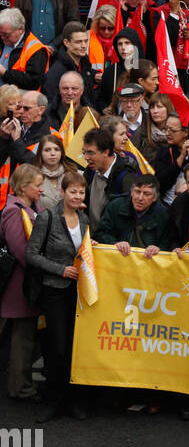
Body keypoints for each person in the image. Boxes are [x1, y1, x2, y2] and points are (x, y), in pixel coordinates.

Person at [25, 169, 90, 423]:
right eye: (72, 191)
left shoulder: (84, 219)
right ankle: (53, 400)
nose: (76, 195)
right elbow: (32, 254)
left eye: (81, 191)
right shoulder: (47, 218)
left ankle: (72, 401)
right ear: (62, 193)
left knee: (75, 348)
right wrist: (61, 270)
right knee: (57, 347)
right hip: (54, 290)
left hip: (79, 293)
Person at [0, 163, 44, 400]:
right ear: (24, 187)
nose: (41, 189)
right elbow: (22, 251)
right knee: (22, 339)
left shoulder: (28, 207)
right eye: (37, 185)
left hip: (22, 284)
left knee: (22, 337)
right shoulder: (15, 212)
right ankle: (21, 388)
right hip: (18, 286)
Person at [94, 173, 173, 254]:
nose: (140, 198)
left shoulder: (163, 214)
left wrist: (159, 248)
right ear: (131, 192)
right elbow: (101, 233)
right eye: (137, 192)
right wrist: (115, 243)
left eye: (146, 194)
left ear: (155, 198)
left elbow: (169, 242)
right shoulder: (115, 206)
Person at [0, 7, 50, 89]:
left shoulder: (37, 50)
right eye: (0, 33)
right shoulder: (4, 38)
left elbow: (33, 82)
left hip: (19, 99)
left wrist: (5, 73)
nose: (2, 37)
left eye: (6, 35)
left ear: (20, 29)